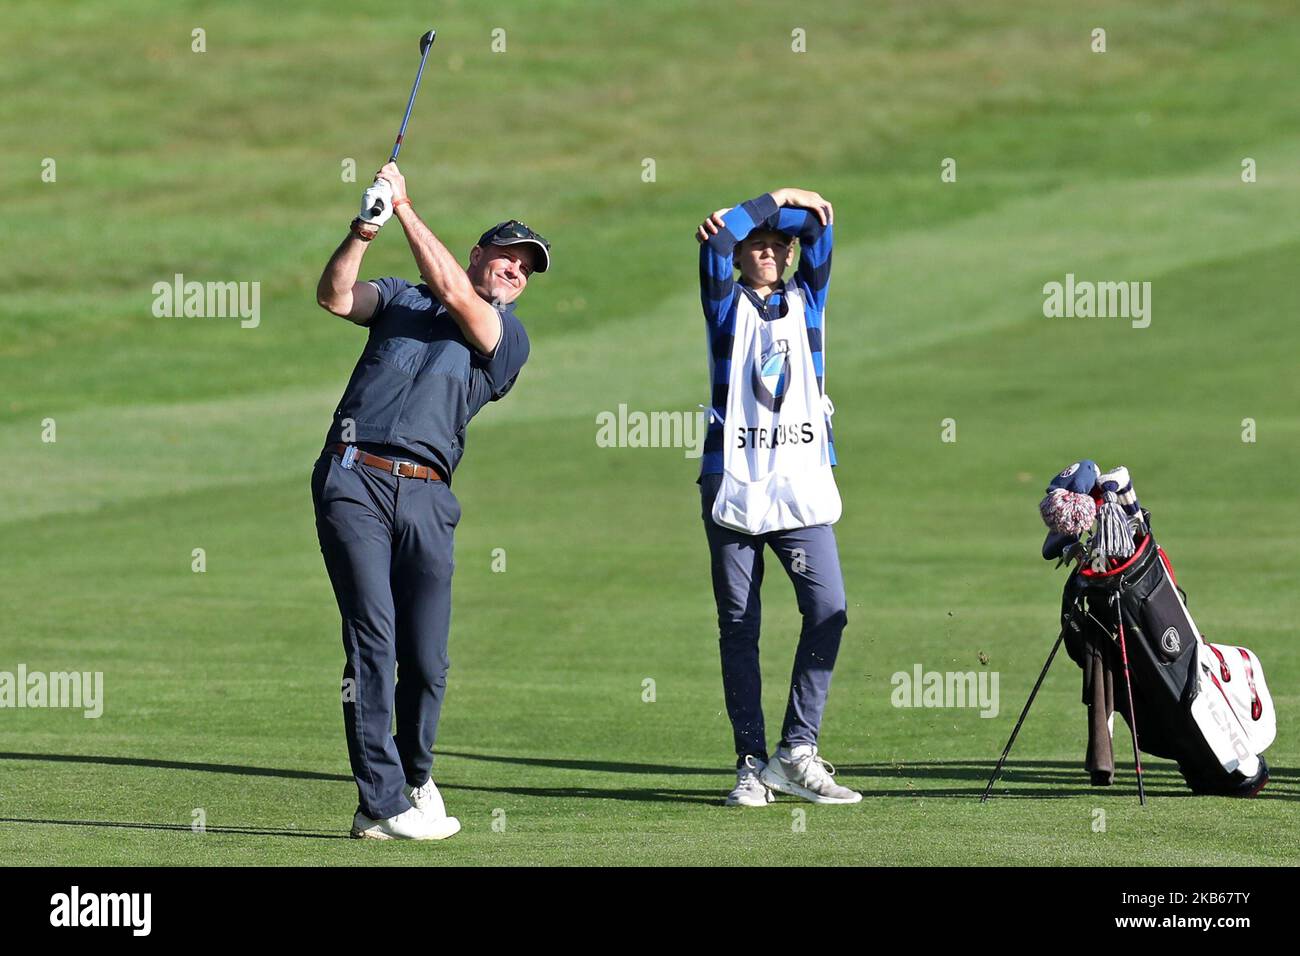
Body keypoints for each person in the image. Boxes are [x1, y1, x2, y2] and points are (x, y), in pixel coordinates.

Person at [312, 162, 549, 839]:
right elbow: (335, 297)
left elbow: (454, 291)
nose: (514, 270)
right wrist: (363, 229)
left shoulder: (504, 338)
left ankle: (416, 776)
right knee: (373, 641)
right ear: (479, 253)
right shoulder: (400, 299)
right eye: (506, 255)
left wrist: (406, 208)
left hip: (427, 496)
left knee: (427, 657)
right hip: (352, 478)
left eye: (525, 267)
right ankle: (378, 804)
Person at [695, 188, 860, 806]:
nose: (767, 251)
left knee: (829, 609)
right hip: (732, 480)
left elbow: (820, 230)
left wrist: (792, 209)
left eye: (776, 244)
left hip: (801, 481)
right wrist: (775, 197)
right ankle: (749, 762)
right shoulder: (722, 304)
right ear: (741, 256)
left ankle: (796, 750)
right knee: (740, 627)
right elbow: (713, 241)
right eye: (755, 245)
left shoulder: (808, 299)